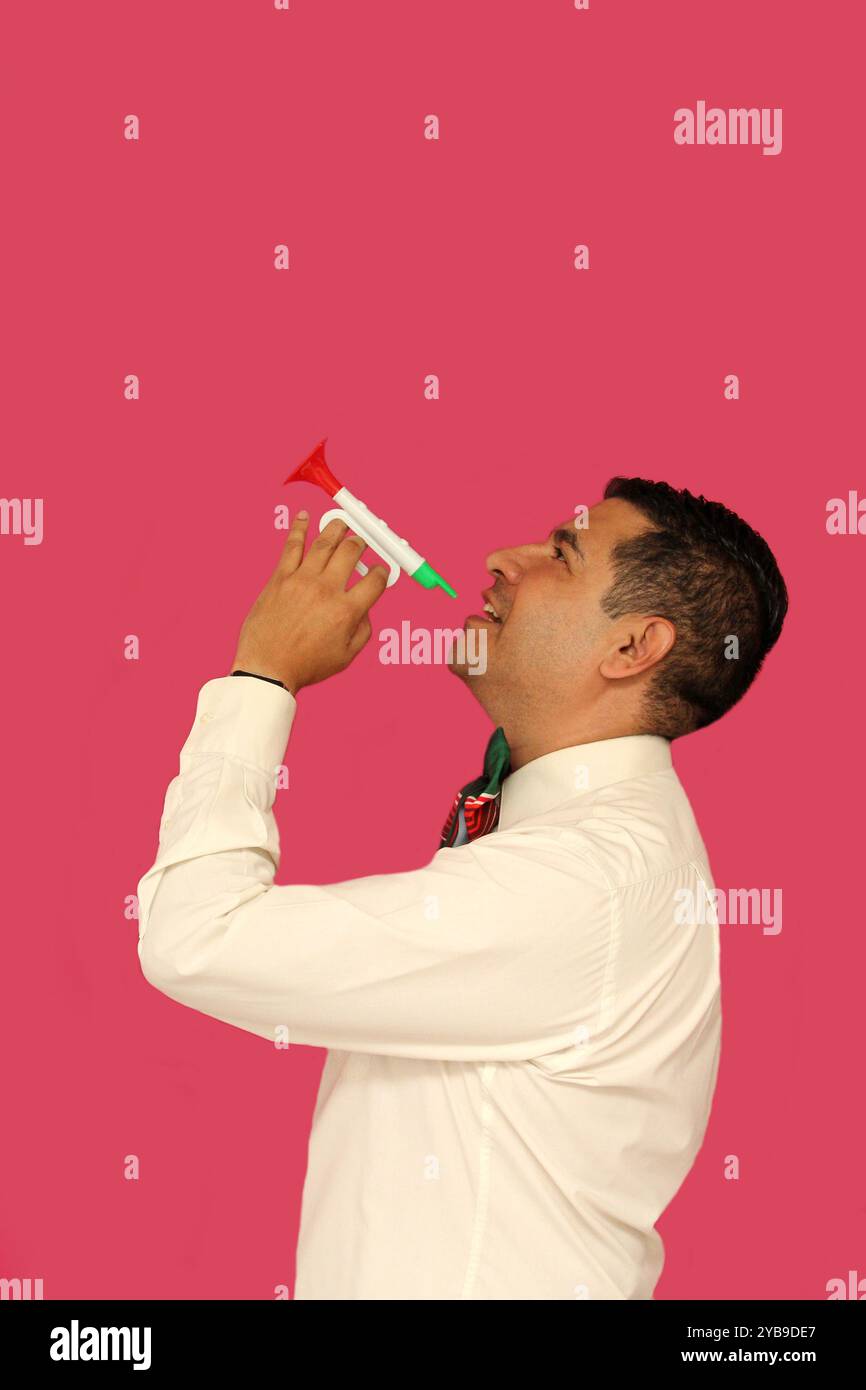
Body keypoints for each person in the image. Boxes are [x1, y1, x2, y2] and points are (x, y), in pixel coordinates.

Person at [136, 476, 788, 1300]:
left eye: (560, 555)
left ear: (632, 647)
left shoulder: (585, 878)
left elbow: (196, 937)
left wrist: (261, 678)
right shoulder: (573, 837)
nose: (501, 560)